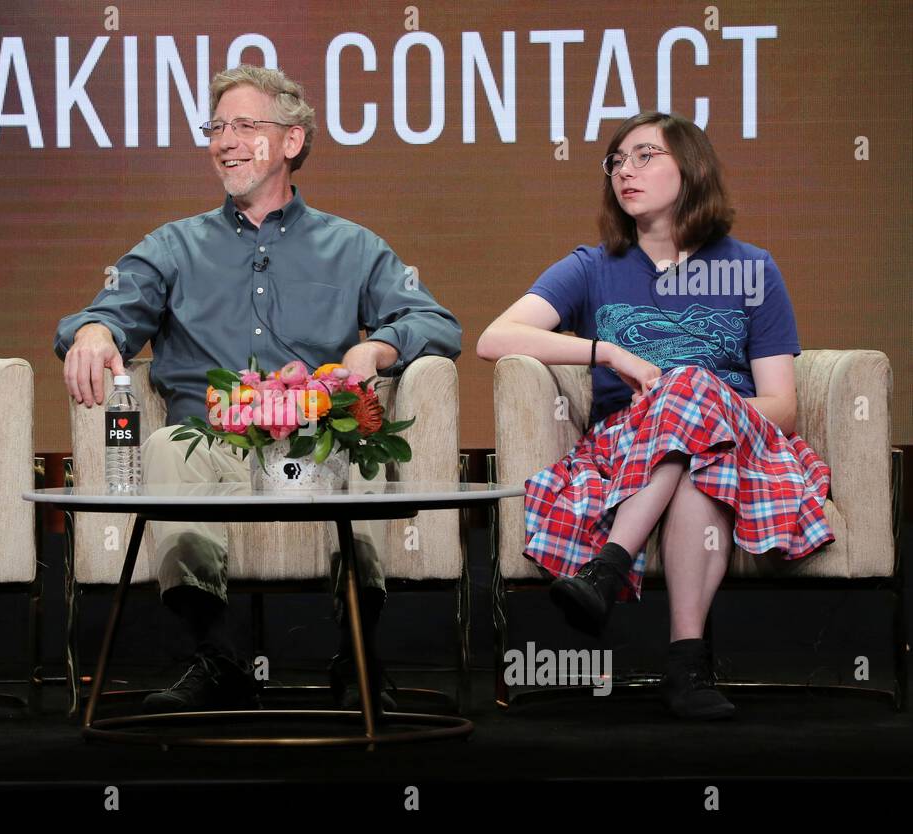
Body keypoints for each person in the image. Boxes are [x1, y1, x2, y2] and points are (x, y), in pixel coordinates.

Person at [54, 65, 462, 714]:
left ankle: (357, 656)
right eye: (217, 127)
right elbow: (105, 312)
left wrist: (376, 347)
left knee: (358, 455)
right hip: (208, 435)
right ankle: (215, 656)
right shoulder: (173, 247)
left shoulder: (351, 247)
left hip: (309, 443)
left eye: (246, 125)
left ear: (292, 141)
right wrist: (97, 330)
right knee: (165, 448)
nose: (225, 141)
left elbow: (436, 323)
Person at [476, 111, 833, 720]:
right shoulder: (593, 266)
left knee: (692, 397)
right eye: (616, 161)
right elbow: (493, 338)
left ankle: (608, 567)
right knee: (694, 460)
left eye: (645, 156)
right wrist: (609, 352)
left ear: (690, 170)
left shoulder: (752, 270)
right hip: (627, 453)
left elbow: (782, 406)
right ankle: (687, 666)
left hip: (742, 448)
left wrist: (697, 401)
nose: (624, 172)